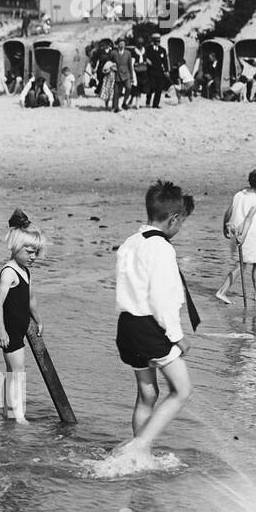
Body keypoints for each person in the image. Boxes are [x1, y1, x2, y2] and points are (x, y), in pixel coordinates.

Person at [113, 180, 199, 463]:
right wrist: (176, 336)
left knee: (148, 394)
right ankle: (139, 447)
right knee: (182, 389)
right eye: (181, 223)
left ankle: (140, 456)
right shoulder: (161, 248)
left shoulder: (130, 243)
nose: (180, 228)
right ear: (174, 219)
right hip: (151, 328)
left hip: (127, 326)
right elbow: (162, 299)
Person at [0, 210, 45, 423]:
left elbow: (30, 300)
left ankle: (9, 413)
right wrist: (0, 329)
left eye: (36, 253)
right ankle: (19, 417)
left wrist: (38, 319)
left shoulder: (25, 270)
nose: (33, 257)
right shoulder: (9, 272)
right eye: (30, 252)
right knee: (17, 372)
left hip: (20, 328)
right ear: (16, 247)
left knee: (13, 373)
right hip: (10, 331)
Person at [216, 169, 256, 303]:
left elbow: (228, 212)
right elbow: (249, 219)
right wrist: (243, 237)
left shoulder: (239, 194)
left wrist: (224, 228)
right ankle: (222, 291)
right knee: (242, 265)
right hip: (249, 236)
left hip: (238, 233)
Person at [145, 33, 169, 108]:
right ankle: (148, 100)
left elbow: (165, 61)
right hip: (151, 71)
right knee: (152, 87)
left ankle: (155, 104)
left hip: (159, 71)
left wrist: (166, 70)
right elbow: (144, 56)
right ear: (153, 41)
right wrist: (147, 60)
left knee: (159, 88)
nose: (158, 42)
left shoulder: (162, 50)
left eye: (159, 41)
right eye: (156, 41)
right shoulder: (148, 49)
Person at [112, 37, 134, 113]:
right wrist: (112, 67)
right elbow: (109, 61)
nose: (122, 45)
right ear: (118, 45)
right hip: (117, 73)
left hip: (126, 73)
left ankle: (124, 102)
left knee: (129, 88)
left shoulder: (128, 53)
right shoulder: (114, 53)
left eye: (123, 44)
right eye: (120, 43)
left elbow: (130, 65)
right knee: (117, 91)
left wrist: (131, 77)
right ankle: (115, 107)